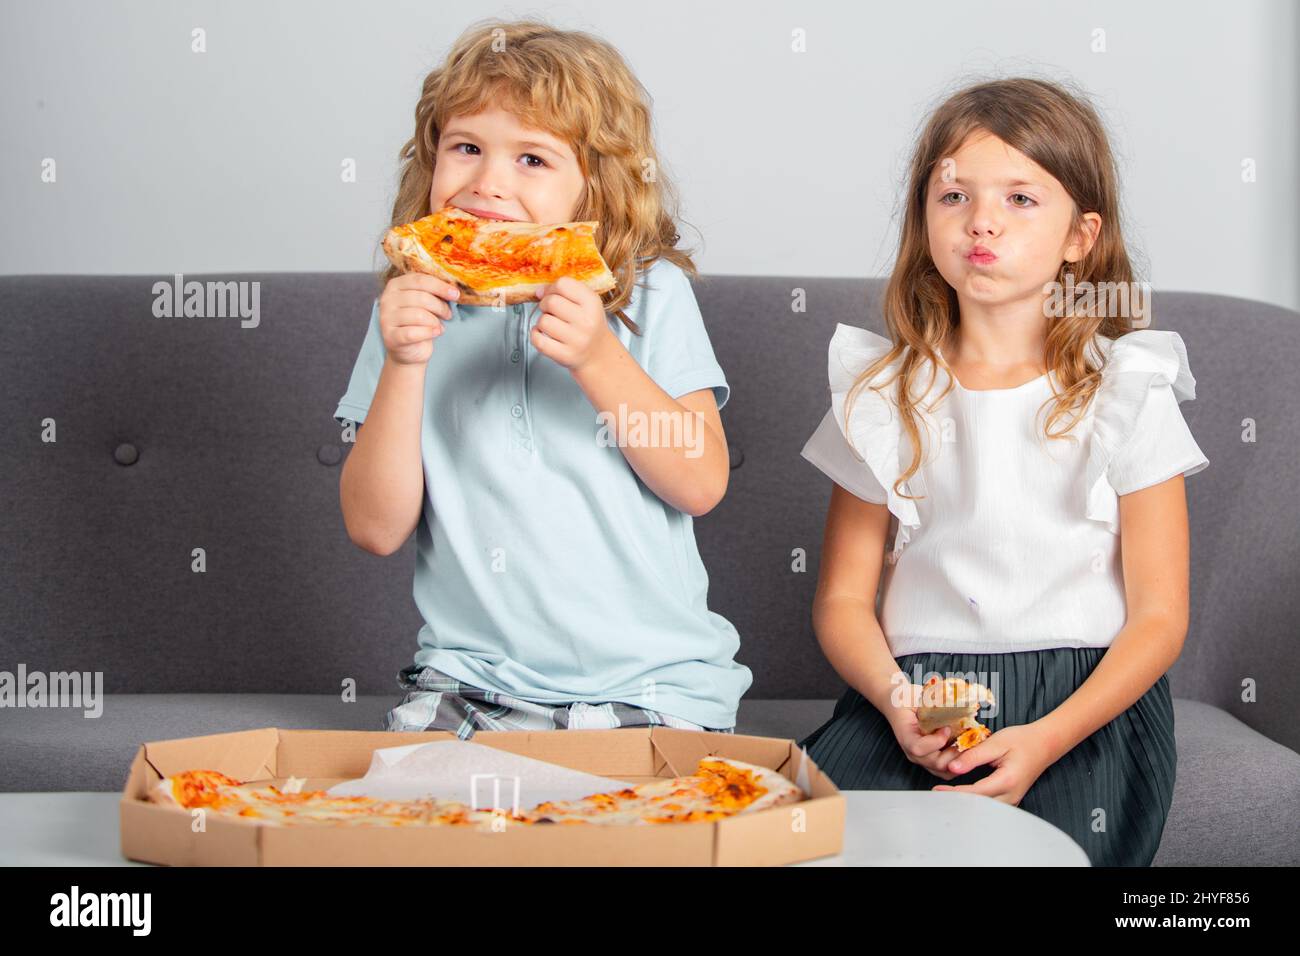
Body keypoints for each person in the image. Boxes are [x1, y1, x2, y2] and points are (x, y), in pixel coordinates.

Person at [797, 77, 1209, 866]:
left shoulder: (1128, 389)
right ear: (925, 216)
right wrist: (897, 701)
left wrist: (1045, 740)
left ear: (1079, 236)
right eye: (953, 195)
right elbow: (843, 599)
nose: (981, 220)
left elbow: (1160, 616)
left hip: (1080, 708)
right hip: (911, 695)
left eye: (1021, 199)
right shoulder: (881, 395)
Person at [333, 19, 749, 739]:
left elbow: (701, 481)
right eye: (466, 148)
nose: (488, 183)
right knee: (414, 835)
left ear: (596, 186)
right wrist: (405, 363)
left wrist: (597, 357)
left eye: (532, 159)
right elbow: (374, 528)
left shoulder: (647, 296)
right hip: (468, 684)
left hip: (656, 685)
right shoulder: (405, 311)